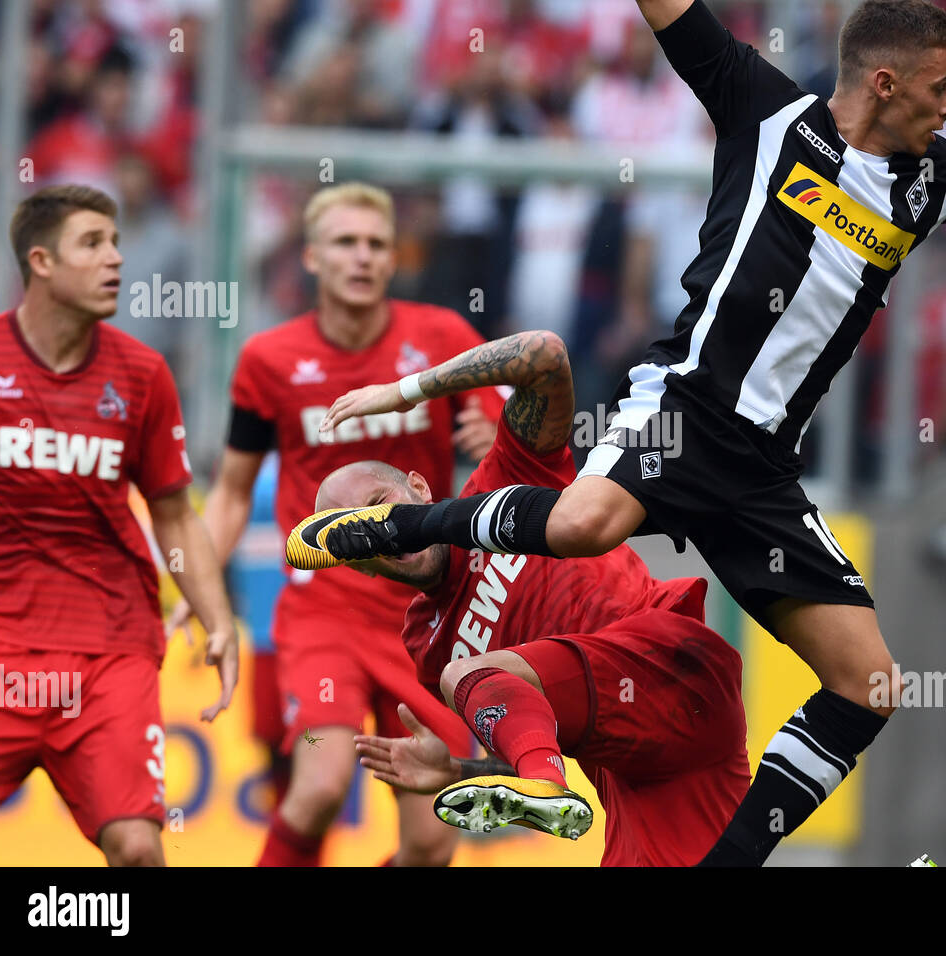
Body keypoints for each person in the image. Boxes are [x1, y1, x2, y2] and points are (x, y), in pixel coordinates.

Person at [304, 0, 946, 867]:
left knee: (870, 684)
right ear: (883, 82)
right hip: (685, 412)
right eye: (941, 88)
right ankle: (398, 529)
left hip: (762, 468)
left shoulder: (937, 179)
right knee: (585, 524)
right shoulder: (767, 113)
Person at [289, 330, 749, 866]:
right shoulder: (426, 647)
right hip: (640, 772)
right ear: (362, 569)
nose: (382, 533)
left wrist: (406, 390)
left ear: (418, 486)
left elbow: (545, 354)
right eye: (358, 537)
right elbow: (529, 739)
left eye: (379, 507)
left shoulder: (505, 477)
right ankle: (546, 787)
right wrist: (455, 774)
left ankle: (547, 787)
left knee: (465, 677)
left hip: (670, 668)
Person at [168, 182, 506, 867]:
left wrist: (496, 433)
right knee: (320, 786)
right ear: (313, 257)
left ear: (394, 258)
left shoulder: (440, 337)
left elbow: (529, 430)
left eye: (377, 244)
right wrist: (198, 590)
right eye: (346, 243)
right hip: (323, 609)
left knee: (433, 843)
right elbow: (231, 492)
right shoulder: (269, 360)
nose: (362, 256)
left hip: (431, 615)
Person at [0, 185, 237, 865]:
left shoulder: (144, 374)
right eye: (93, 244)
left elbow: (175, 515)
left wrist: (217, 620)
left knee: (138, 850)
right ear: (40, 261)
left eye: (117, 242)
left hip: (108, 650)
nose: (116, 259)